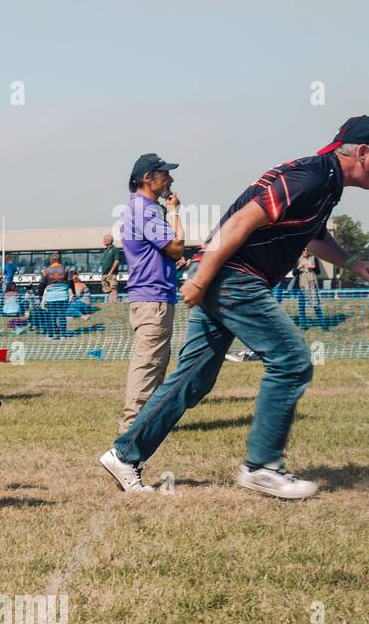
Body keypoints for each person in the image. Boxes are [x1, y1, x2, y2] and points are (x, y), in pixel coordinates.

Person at [100, 118, 369, 498]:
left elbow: (314, 234)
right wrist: (200, 278)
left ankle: (124, 454)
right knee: (291, 360)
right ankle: (262, 466)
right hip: (233, 277)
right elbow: (241, 222)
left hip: (223, 277)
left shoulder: (325, 184)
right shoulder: (311, 177)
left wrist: (353, 264)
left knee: (195, 378)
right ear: (362, 152)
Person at [115, 153, 185, 433]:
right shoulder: (144, 210)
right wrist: (176, 212)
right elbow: (177, 246)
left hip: (150, 297)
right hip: (152, 298)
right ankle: (131, 429)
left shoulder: (139, 209)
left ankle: (145, 423)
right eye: (164, 173)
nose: (170, 178)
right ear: (147, 178)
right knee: (148, 365)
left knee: (154, 365)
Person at [37, 253, 70, 338]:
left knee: (51, 315)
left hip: (51, 296)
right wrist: (73, 291)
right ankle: (63, 334)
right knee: (62, 315)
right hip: (63, 295)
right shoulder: (66, 269)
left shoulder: (46, 270)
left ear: (51, 261)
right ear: (59, 260)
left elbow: (41, 284)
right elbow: (70, 281)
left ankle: (51, 334)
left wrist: (40, 297)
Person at [294, 247, 326, 330]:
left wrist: (313, 267)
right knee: (301, 307)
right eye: (304, 249)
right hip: (301, 286)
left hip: (312, 285)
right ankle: (303, 326)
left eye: (307, 250)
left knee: (316, 305)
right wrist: (299, 267)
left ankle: (323, 325)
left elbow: (318, 272)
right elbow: (294, 273)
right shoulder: (297, 259)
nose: (305, 251)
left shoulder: (313, 258)